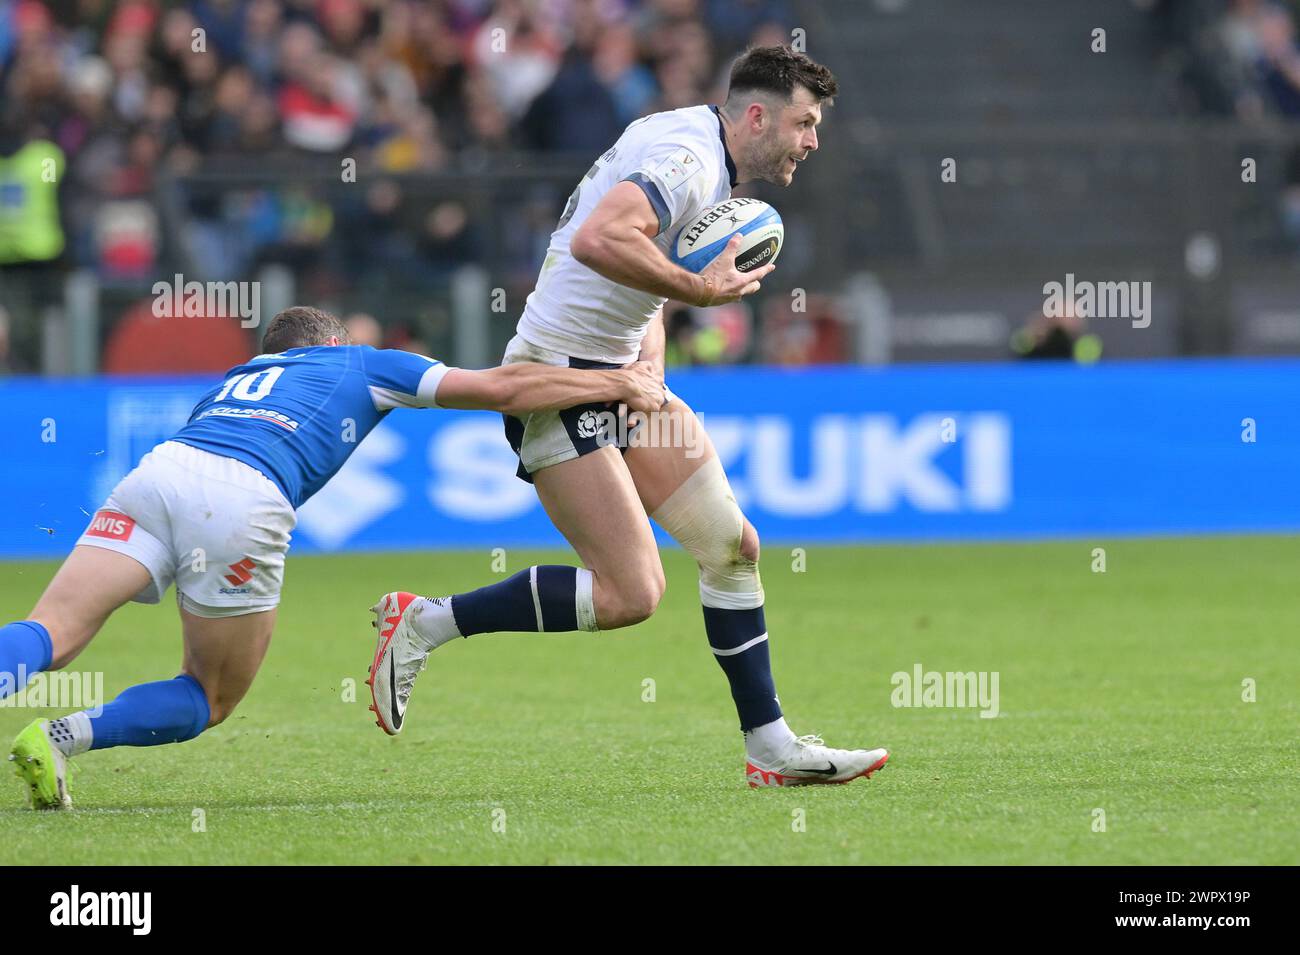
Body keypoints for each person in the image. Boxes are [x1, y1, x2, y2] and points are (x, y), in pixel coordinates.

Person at [368, 46, 889, 788]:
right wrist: (698, 292)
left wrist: (651, 353)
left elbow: (634, 270)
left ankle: (770, 748)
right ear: (755, 115)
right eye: (804, 123)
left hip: (623, 378)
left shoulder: (696, 146)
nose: (812, 140)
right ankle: (425, 622)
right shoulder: (687, 156)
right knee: (630, 595)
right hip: (560, 380)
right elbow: (599, 239)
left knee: (733, 545)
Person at [2, 306, 663, 808]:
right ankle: (58, 739)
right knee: (210, 693)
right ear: (334, 341)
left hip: (158, 472)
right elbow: (503, 388)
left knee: (51, 631)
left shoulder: (237, 379)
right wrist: (616, 381)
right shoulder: (364, 362)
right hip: (242, 494)